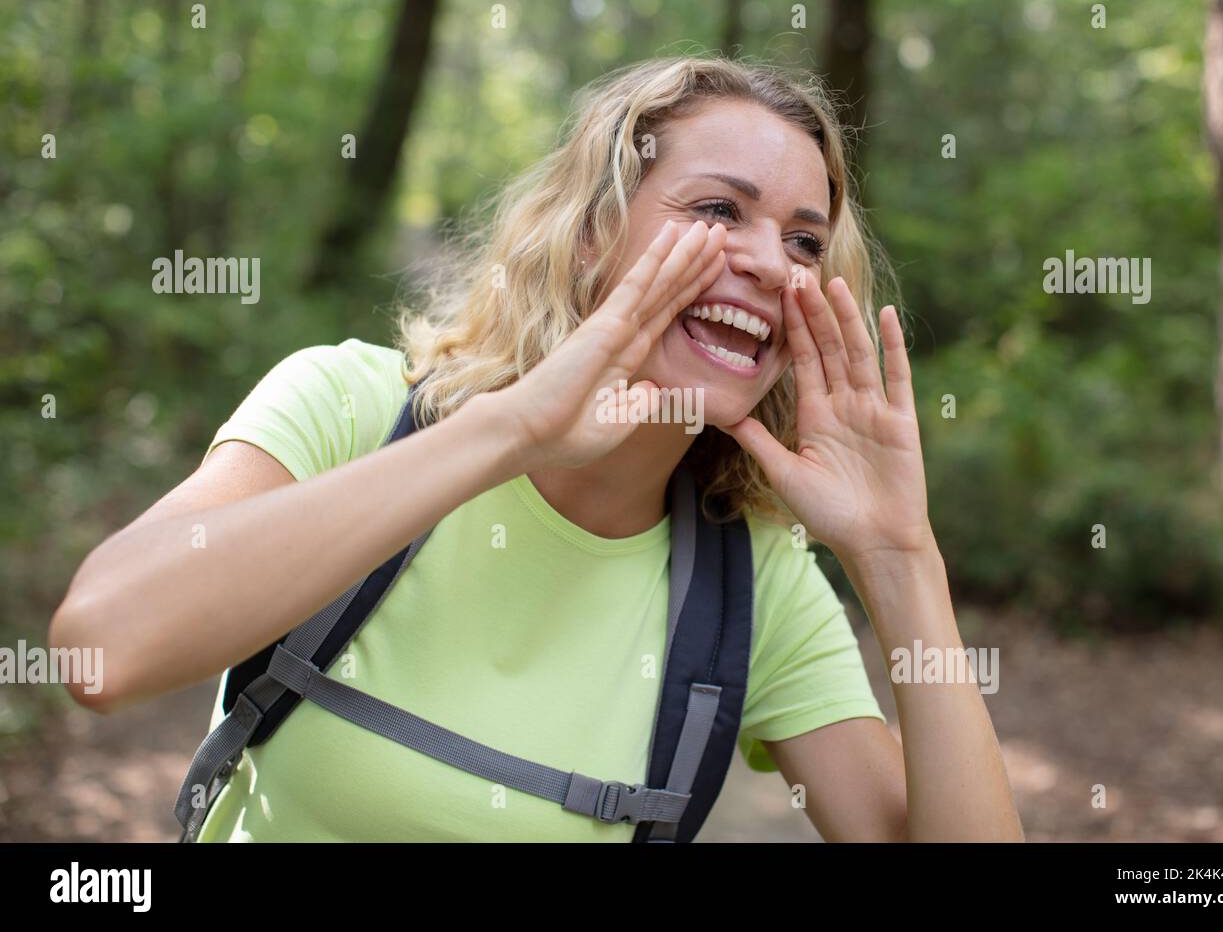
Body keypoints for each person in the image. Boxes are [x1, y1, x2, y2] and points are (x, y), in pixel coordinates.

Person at [49, 56, 1023, 842]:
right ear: (595, 233)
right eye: (719, 210)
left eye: (804, 241)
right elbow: (99, 651)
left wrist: (899, 557)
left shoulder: (751, 578)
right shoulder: (349, 403)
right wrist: (510, 427)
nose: (770, 262)